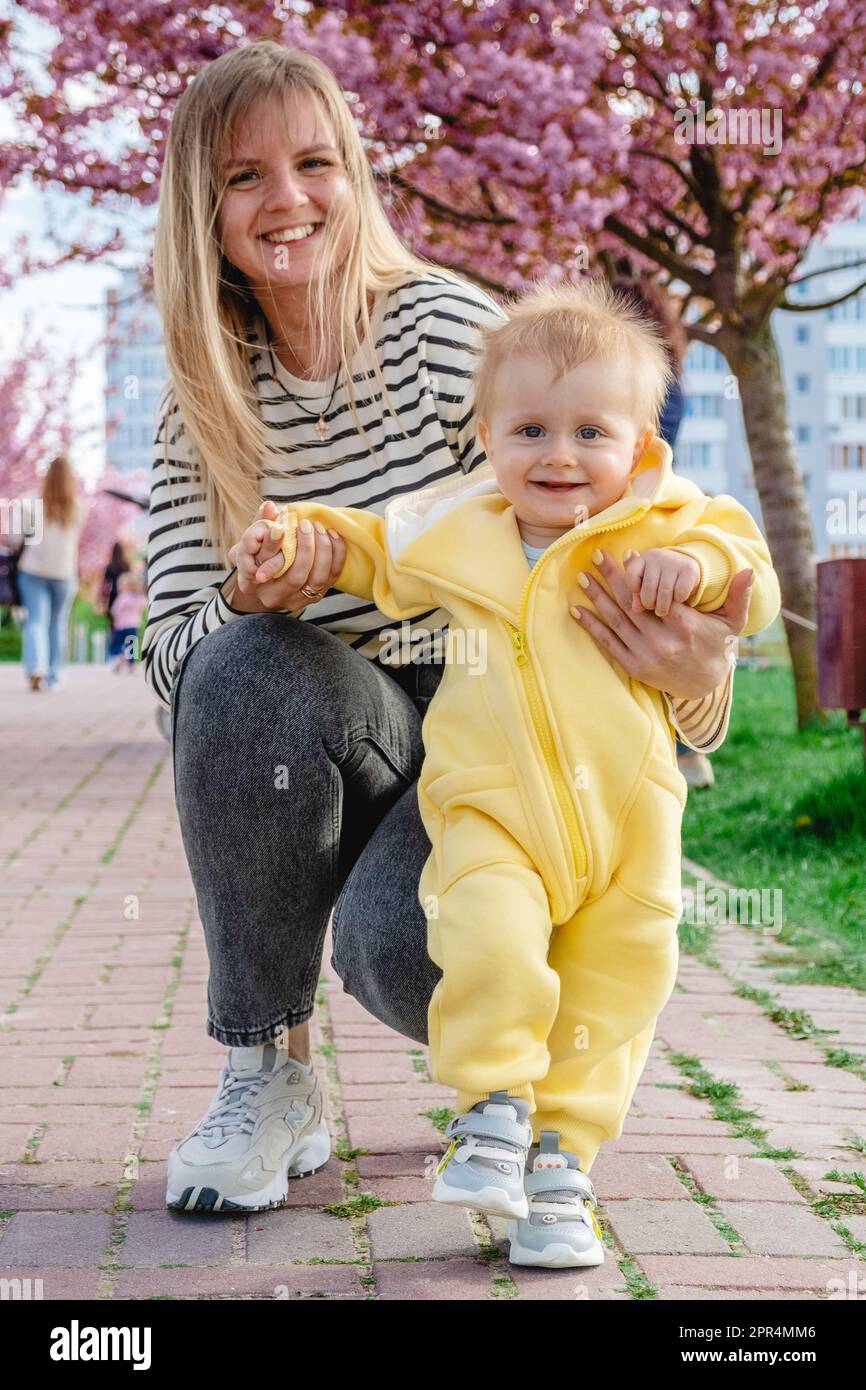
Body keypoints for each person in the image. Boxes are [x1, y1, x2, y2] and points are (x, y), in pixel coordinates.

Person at [140, 40, 754, 1234]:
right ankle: (269, 1070)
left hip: (491, 736)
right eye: (243, 178)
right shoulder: (200, 404)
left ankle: (532, 1087)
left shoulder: (435, 333)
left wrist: (698, 687)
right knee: (243, 667)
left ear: (354, 176)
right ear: (200, 209)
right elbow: (171, 662)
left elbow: (604, 535)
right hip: (320, 715)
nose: (288, 202)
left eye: (315, 163)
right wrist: (253, 597)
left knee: (405, 956)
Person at [252, 277, 780, 1266]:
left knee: (613, 996)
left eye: (591, 431)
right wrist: (302, 539)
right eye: (530, 429)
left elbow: (744, 567)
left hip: (628, 832)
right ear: (488, 438)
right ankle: (491, 1109)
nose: (560, 455)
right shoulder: (463, 529)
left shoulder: (663, 523)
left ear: (641, 447)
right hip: (490, 813)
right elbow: (374, 546)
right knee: (486, 941)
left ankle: (561, 1174)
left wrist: (698, 575)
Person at [610, 276, 716, 790]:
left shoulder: (635, 379)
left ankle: (671, 747)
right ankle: (684, 750)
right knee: (664, 627)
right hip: (661, 506)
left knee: (644, 625)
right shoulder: (674, 376)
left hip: (629, 510)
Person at [16, 454, 84, 692]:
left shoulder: (28, 502)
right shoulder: (77, 507)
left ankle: (37, 668)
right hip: (64, 574)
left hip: (32, 570)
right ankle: (54, 676)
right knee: (57, 624)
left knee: (35, 620)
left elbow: (16, 539)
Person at [110, 569, 147, 672]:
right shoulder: (139, 598)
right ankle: (132, 664)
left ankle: (119, 657)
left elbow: (114, 610)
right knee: (131, 645)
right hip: (133, 626)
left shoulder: (122, 597)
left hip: (121, 626)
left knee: (118, 644)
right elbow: (145, 605)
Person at [102, 541, 131, 663]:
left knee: (115, 629)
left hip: (113, 598)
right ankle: (129, 658)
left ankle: (114, 656)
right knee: (130, 629)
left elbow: (105, 586)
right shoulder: (127, 566)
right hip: (127, 597)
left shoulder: (110, 566)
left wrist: (103, 600)